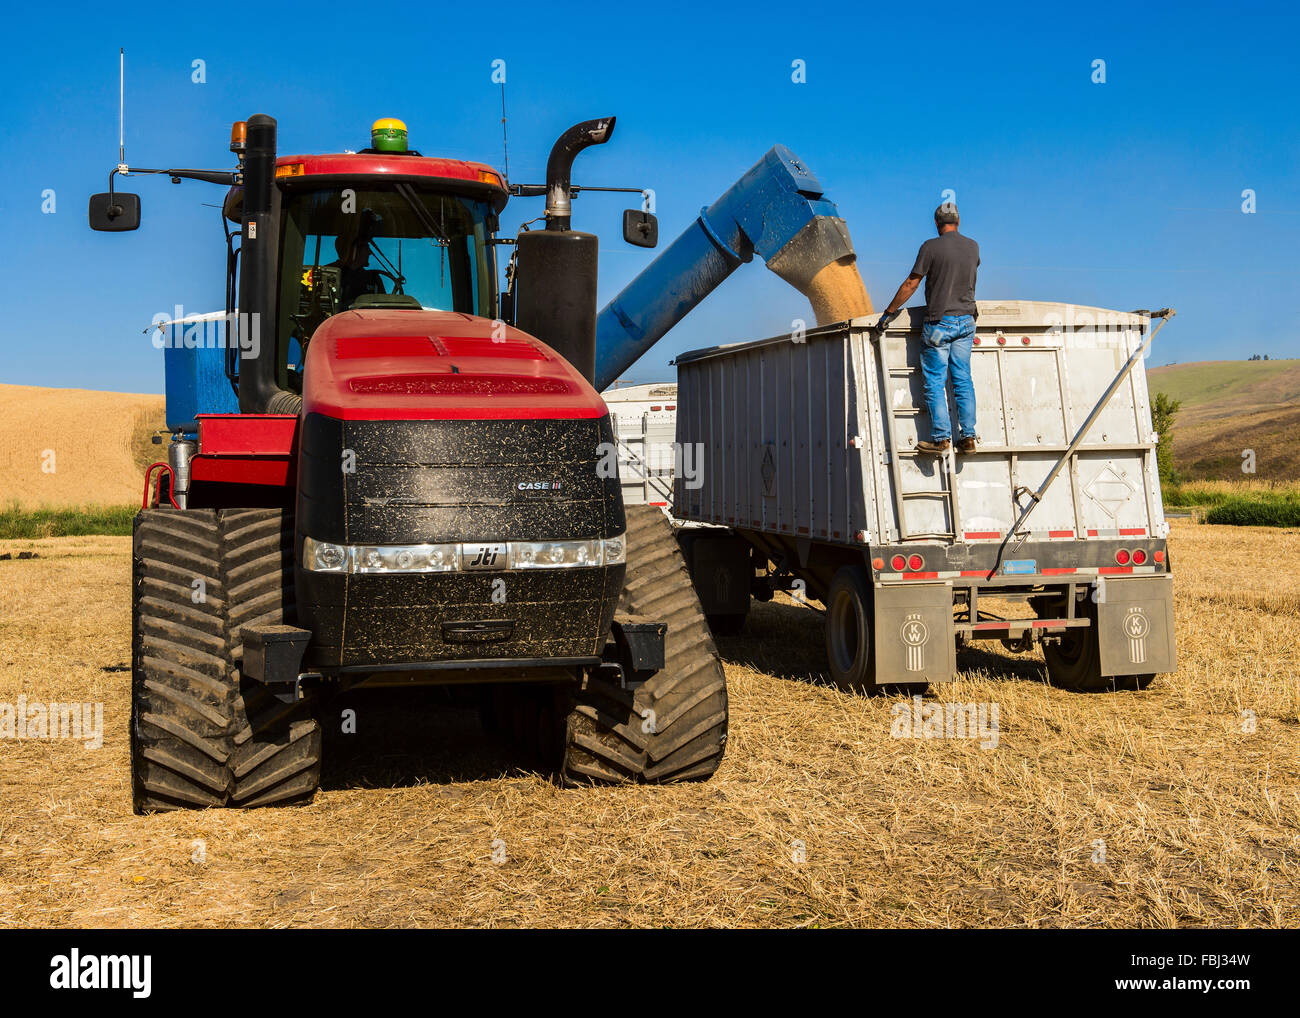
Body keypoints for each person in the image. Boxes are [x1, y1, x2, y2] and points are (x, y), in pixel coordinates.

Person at [881, 203, 980, 454]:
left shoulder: (930, 247)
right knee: (963, 379)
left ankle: (941, 438)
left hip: (940, 322)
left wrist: (890, 311)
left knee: (935, 380)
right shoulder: (973, 247)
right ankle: (968, 438)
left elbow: (912, 283)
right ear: (959, 221)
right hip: (967, 320)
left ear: (936, 223)